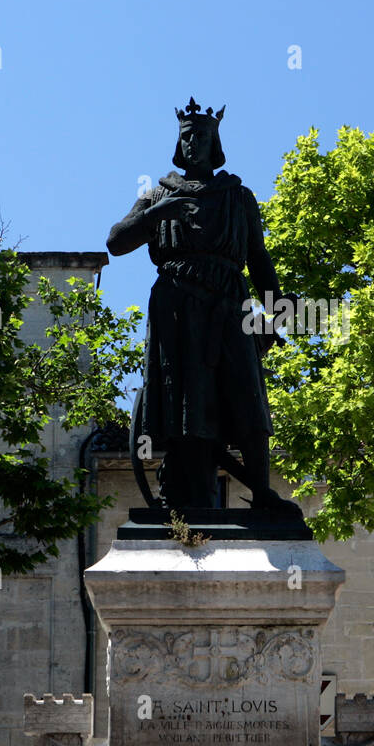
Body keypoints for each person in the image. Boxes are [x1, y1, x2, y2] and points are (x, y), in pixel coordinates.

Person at [107, 98, 298, 515]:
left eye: (201, 136)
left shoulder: (238, 196)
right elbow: (116, 242)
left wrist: (279, 313)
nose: (193, 142)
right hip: (177, 307)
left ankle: (262, 494)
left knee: (248, 396)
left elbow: (259, 259)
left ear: (216, 143)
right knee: (181, 403)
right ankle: (178, 493)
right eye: (186, 136)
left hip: (231, 304)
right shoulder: (157, 194)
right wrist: (159, 213)